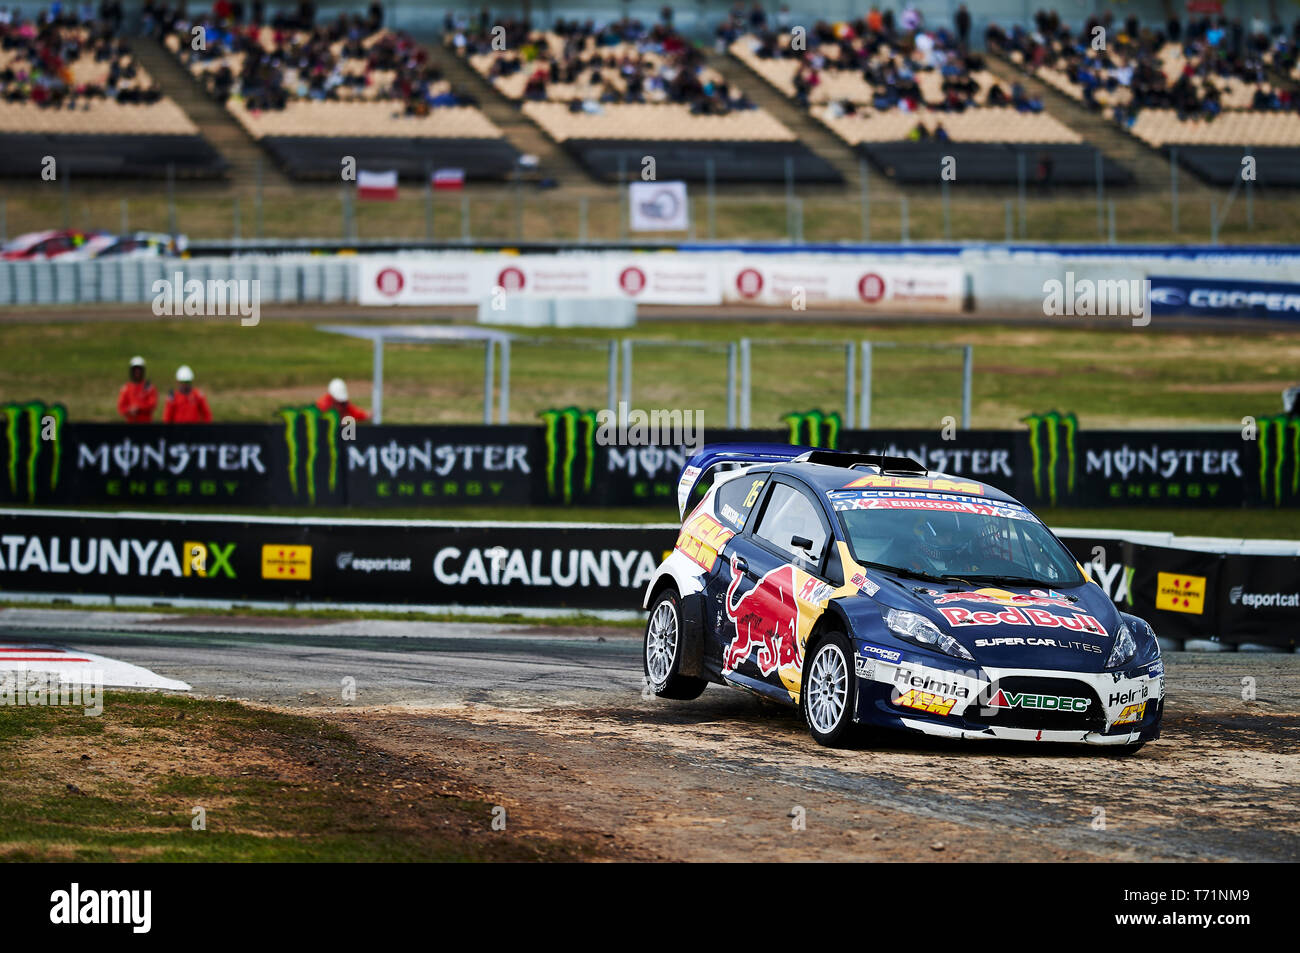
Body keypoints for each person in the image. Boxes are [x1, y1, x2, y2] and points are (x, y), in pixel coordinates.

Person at [117, 355, 158, 423]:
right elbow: (121, 407)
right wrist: (129, 410)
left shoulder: (149, 387)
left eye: (139, 369)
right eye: (135, 369)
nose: (137, 372)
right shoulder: (126, 388)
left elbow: (152, 404)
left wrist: (139, 408)